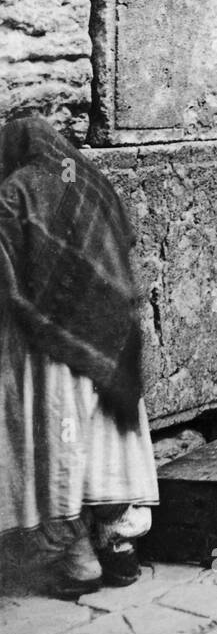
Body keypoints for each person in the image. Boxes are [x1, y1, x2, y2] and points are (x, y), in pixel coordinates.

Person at [0, 117, 158, 599]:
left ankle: (79, 559)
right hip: (108, 338)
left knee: (60, 443)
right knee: (107, 444)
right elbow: (123, 242)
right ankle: (118, 547)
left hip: (49, 344)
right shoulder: (91, 178)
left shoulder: (15, 190)